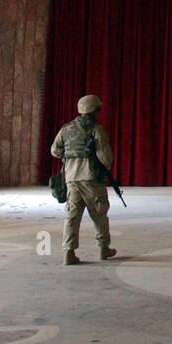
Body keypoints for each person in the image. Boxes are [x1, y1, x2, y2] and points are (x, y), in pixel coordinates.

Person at [51, 93, 117, 265]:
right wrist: (106, 168)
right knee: (99, 214)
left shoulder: (66, 129)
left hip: (71, 179)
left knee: (72, 216)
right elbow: (105, 157)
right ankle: (104, 249)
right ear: (94, 110)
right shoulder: (96, 129)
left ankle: (69, 253)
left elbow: (55, 150)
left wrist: (70, 156)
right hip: (91, 179)